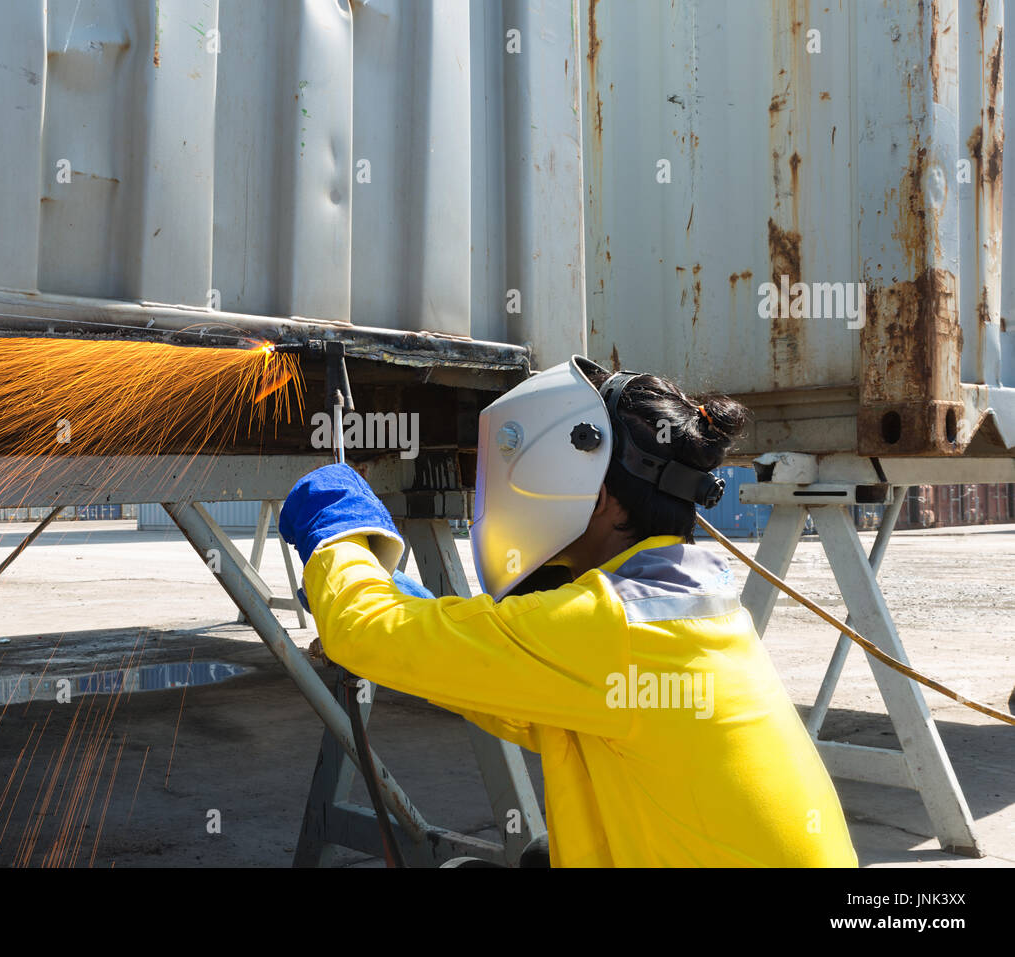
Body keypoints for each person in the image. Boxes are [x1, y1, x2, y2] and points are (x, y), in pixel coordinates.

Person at [279, 355, 857, 867]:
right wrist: (420, 614)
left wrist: (342, 536)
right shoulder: (687, 609)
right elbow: (532, 700)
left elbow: (361, 632)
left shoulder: (609, 623)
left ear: (598, 496)